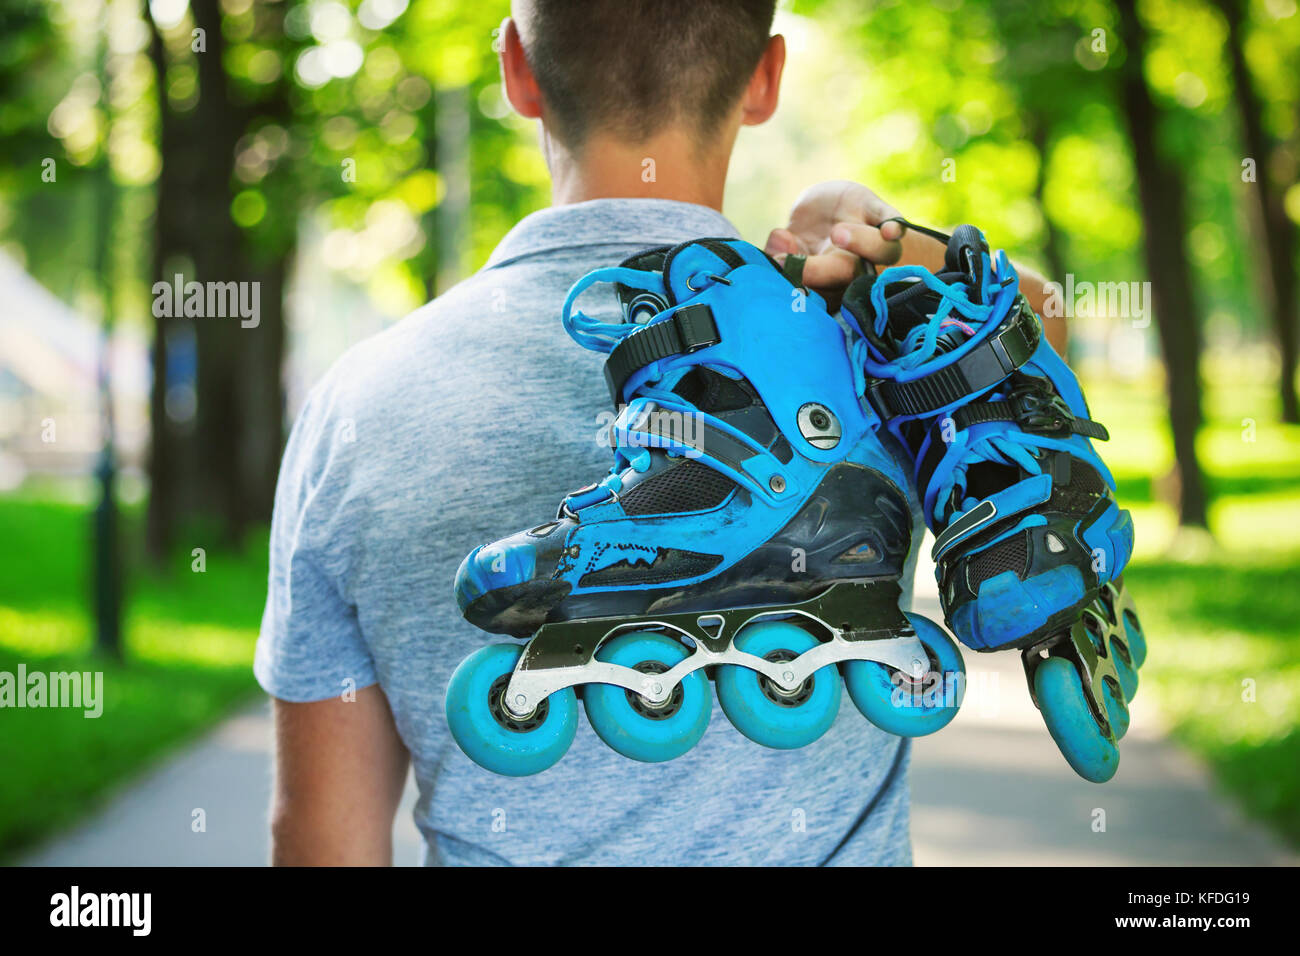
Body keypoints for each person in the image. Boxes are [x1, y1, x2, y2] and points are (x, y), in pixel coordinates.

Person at [256, 0, 1058, 866]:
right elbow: (1040, 337)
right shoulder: (860, 345)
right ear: (766, 78)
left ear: (518, 70)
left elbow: (324, 841)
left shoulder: (354, 405)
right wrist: (900, 256)